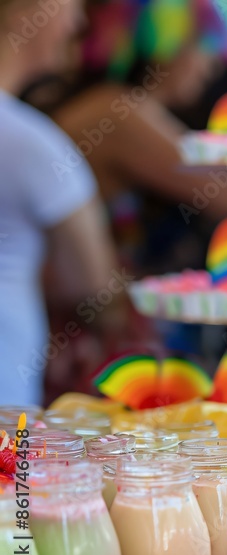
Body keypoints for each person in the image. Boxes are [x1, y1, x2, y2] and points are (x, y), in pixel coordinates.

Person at [47, 0, 227, 272]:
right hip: (81, 305)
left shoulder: (114, 104)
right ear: (165, 41)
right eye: (203, 44)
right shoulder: (118, 114)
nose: (212, 64)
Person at [0, 0, 124, 404]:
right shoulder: (29, 142)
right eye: (69, 5)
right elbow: (92, 282)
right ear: (24, 11)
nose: (78, 22)